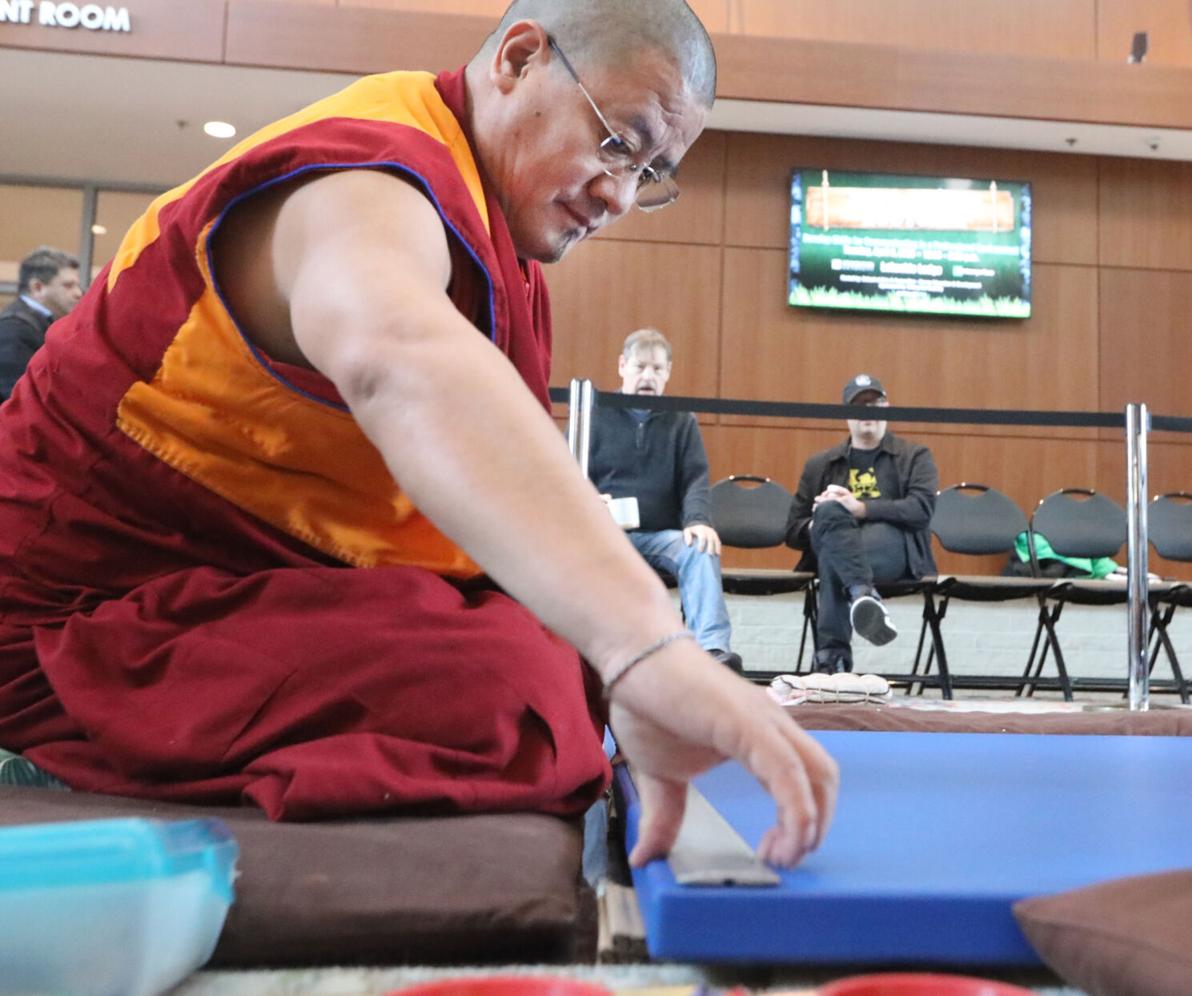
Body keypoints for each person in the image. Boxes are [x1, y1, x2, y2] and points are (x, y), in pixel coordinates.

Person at [0, 0, 835, 870]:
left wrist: (604, 648)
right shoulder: (363, 179)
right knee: (508, 695)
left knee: (557, 656)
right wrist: (643, 645)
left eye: (653, 173)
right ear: (518, 59)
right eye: (619, 144)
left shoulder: (488, 223)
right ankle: (40, 758)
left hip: (250, 584)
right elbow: (394, 355)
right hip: (74, 623)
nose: (620, 196)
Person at [589, 329, 742, 673]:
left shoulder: (681, 421)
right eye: (641, 367)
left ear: (668, 373)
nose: (648, 376)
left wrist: (698, 521)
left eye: (657, 369)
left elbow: (695, 480)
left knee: (700, 547)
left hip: (662, 536)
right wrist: (587, 501)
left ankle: (713, 650)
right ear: (622, 366)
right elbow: (566, 475)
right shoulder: (595, 415)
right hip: (606, 535)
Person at [785, 374, 938, 674]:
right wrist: (819, 523)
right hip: (838, 547)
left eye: (875, 403)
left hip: (893, 551)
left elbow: (921, 510)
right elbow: (791, 529)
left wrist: (860, 508)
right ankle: (862, 595)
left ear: (887, 407)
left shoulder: (915, 456)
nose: (868, 411)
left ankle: (832, 659)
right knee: (829, 514)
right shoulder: (821, 464)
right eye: (859, 405)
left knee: (835, 555)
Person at [0, 246, 82, 402]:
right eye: (68, 285)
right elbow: (19, 398)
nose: (78, 293)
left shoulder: (37, 324)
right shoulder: (15, 329)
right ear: (37, 287)